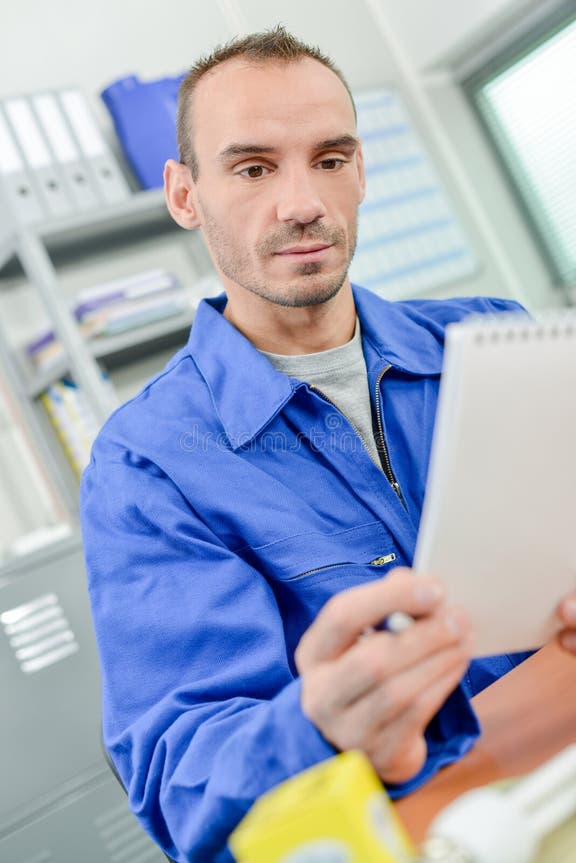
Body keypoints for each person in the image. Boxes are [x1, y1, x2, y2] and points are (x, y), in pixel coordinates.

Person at [80, 26, 576, 863]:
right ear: (183, 194)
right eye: (252, 168)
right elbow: (180, 782)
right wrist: (313, 722)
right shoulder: (147, 466)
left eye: (332, 158)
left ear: (361, 171)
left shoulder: (490, 337)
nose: (302, 200)